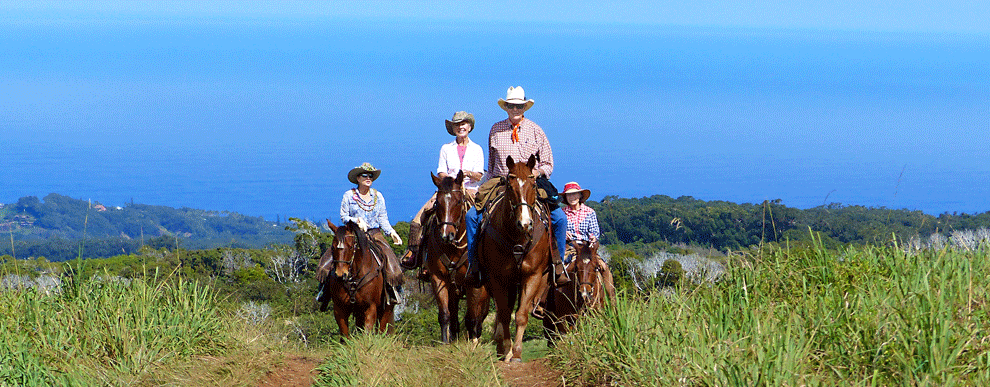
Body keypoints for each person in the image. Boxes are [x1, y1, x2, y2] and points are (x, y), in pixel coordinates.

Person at [465, 86, 569, 286]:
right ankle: (474, 265)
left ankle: (558, 264)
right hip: (502, 180)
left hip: (531, 181)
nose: (515, 109)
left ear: (524, 107)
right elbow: (492, 163)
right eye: (512, 106)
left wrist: (535, 173)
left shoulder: (536, 130)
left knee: (560, 219)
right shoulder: (495, 129)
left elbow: (548, 163)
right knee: (471, 217)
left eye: (519, 106)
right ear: (506, 107)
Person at [400, 111, 485, 278]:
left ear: (469, 127)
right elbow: (440, 172)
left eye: (464, 124)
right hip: (448, 189)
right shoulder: (446, 148)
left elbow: (479, 175)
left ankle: (484, 257)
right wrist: (451, 181)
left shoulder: (477, 149)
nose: (461, 127)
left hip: (470, 190)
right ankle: (418, 256)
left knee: (484, 218)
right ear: (453, 128)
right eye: (457, 124)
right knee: (420, 217)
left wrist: (467, 174)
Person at [339, 162, 405, 305]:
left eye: (371, 176)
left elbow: (383, 219)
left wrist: (392, 232)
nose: (368, 178)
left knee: (389, 256)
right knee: (334, 256)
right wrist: (356, 220)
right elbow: (343, 216)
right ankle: (324, 291)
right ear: (358, 178)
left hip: (374, 233)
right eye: (365, 175)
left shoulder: (378, 196)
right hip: (353, 233)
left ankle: (394, 290)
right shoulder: (349, 195)